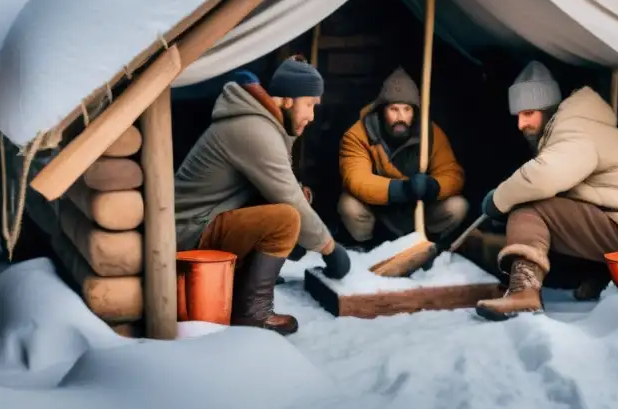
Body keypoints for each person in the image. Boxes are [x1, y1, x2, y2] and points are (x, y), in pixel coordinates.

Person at [475, 61, 618, 321]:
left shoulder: (575, 130)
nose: (521, 124)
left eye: (529, 113)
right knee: (549, 209)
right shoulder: (574, 126)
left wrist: (499, 200)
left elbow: (543, 176)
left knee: (528, 208)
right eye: (518, 116)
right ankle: (598, 277)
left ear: (548, 109)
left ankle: (524, 291)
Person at [174, 58, 351, 335]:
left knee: (296, 201)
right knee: (287, 217)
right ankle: (253, 313)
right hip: (187, 233)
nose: (313, 116)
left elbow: (285, 189)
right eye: (310, 104)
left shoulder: (263, 123)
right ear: (287, 100)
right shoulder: (253, 129)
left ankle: (245, 282)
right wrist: (329, 248)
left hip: (202, 221)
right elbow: (288, 200)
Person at [338, 67, 468, 246]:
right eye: (394, 109)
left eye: (407, 109)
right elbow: (357, 180)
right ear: (382, 110)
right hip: (378, 210)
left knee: (457, 206)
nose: (401, 117)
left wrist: (434, 187)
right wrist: (402, 189)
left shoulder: (430, 133)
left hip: (418, 210)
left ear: (414, 111)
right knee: (349, 206)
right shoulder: (358, 134)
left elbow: (452, 172)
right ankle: (366, 248)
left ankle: (431, 246)